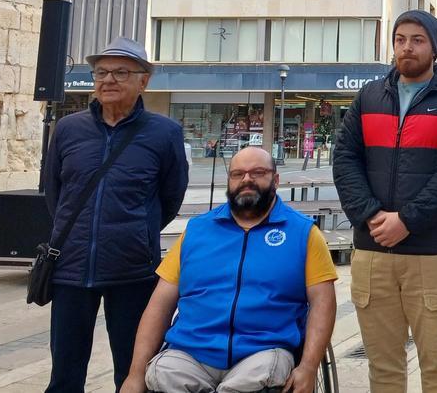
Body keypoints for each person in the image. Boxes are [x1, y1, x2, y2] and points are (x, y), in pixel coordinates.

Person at [333, 10, 437, 392]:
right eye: (400, 39)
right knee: (383, 368)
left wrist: (408, 219)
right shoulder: (368, 97)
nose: (407, 47)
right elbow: (345, 157)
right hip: (373, 251)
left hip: (431, 255)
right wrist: (369, 214)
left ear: (434, 47)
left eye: (417, 40)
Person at [119, 147, 338, 393]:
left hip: (263, 350)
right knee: (161, 374)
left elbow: (323, 304)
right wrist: (135, 374)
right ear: (230, 180)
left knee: (262, 375)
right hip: (191, 350)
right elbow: (159, 305)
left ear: (275, 180)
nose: (246, 180)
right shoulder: (196, 231)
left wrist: (308, 367)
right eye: (238, 174)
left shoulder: (303, 234)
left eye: (257, 172)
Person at [41, 36, 190, 392]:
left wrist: (136, 231)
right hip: (71, 269)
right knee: (65, 372)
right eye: (101, 72)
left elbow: (171, 197)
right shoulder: (68, 129)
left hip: (133, 270)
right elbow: (55, 194)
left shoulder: (164, 133)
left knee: (134, 368)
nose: (108, 80)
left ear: (144, 80)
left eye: (121, 72)